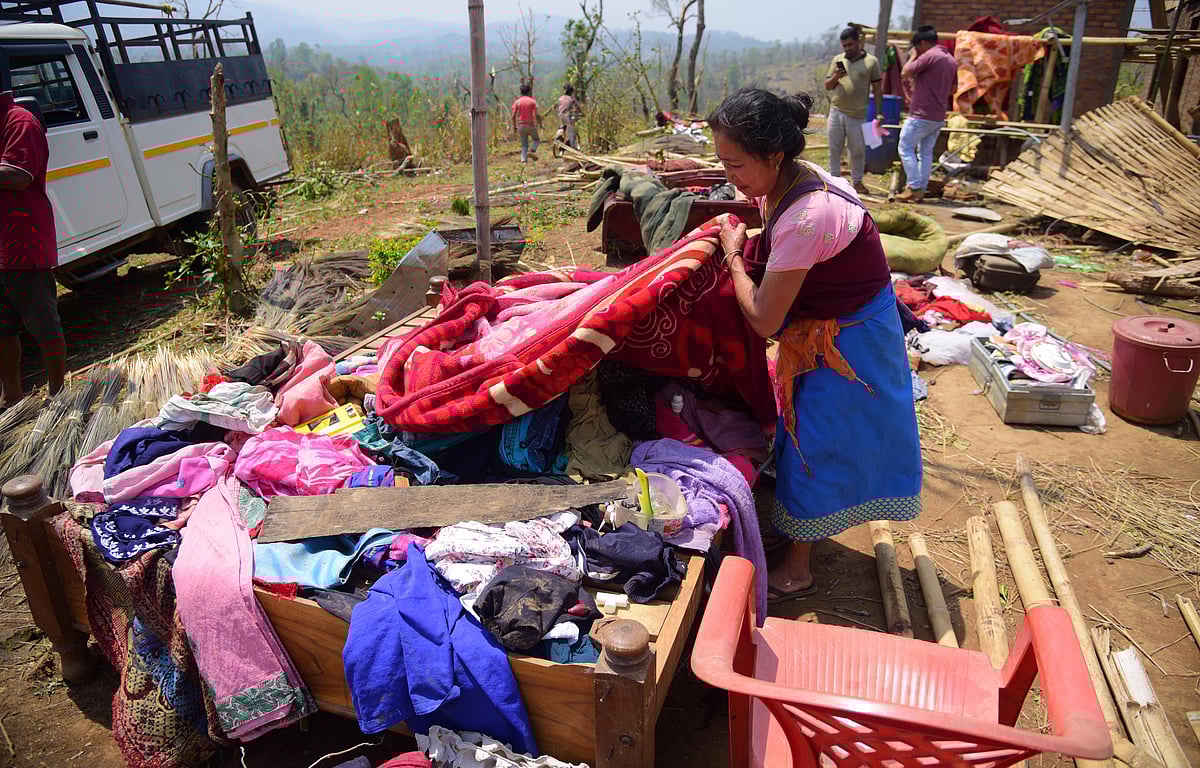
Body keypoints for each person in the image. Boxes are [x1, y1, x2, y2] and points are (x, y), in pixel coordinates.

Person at [707, 88, 921, 602]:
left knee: (819, 442)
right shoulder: (791, 182)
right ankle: (797, 529)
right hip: (835, 325)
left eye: (736, 164)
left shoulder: (809, 215)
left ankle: (798, 569)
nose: (730, 177)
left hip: (853, 340)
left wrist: (734, 256)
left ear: (773, 155)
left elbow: (764, 319)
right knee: (807, 427)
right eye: (723, 163)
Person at [1, 87, 65, 407]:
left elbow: (18, 175)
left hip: (23, 243)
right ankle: (11, 396)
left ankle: (57, 393)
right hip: (2, 245)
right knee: (2, 329)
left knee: (43, 324)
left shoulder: (20, 122)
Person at [896, 25, 957, 202]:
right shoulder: (951, 60)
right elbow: (953, 89)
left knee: (905, 147)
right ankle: (921, 189)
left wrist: (913, 56)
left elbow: (905, 72)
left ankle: (913, 187)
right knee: (925, 153)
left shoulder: (930, 56)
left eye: (917, 47)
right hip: (938, 115)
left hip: (921, 113)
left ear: (922, 43)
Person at [824, 26, 883, 196]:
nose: (848, 48)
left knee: (857, 150)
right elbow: (828, 85)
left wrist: (879, 112)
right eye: (845, 46)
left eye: (850, 44)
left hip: (857, 114)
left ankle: (857, 182)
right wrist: (836, 76)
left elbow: (877, 89)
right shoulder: (838, 60)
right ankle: (834, 182)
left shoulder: (871, 62)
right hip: (836, 111)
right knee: (834, 149)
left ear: (859, 42)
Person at [510, 83, 541, 163]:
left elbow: (513, 116)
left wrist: (514, 126)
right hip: (530, 124)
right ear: (529, 91)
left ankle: (524, 160)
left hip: (521, 125)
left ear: (521, 92)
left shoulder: (517, 102)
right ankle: (532, 150)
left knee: (524, 144)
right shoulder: (532, 101)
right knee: (536, 140)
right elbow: (537, 114)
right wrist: (539, 123)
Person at [556, 84, 581, 149]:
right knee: (571, 130)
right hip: (567, 115)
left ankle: (559, 136)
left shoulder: (560, 98)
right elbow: (578, 106)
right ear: (571, 92)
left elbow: (557, 106)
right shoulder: (571, 99)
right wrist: (581, 113)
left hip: (560, 115)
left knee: (562, 126)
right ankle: (573, 145)